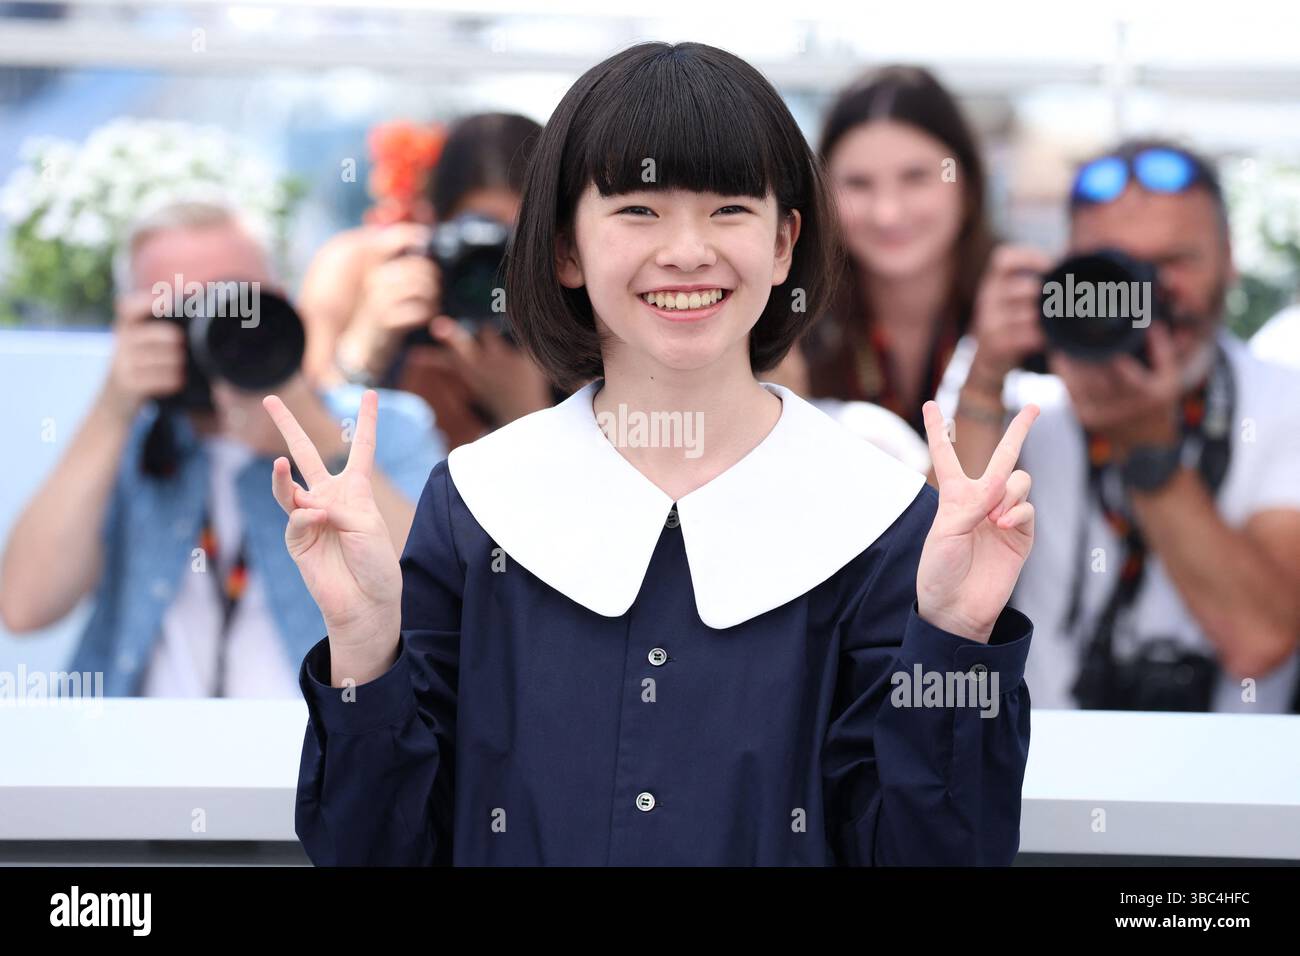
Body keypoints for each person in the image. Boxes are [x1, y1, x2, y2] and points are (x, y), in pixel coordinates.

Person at [267, 42, 1040, 866]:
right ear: (566, 246)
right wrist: (362, 649)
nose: (686, 251)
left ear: (784, 244)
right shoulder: (477, 505)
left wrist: (958, 638)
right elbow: (375, 851)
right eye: (639, 210)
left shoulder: (879, 518)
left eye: (729, 210)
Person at [0, 200, 445, 698]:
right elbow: (24, 607)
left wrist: (316, 440)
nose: (216, 331)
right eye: (185, 312)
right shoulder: (130, 439)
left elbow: (438, 602)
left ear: (283, 304)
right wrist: (113, 408)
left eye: (238, 305)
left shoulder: (381, 426)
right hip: (133, 759)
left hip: (321, 758)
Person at [936, 139, 1300, 713]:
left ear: (1229, 259)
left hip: (1230, 784)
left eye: (1174, 262)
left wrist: (1144, 443)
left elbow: (1259, 640)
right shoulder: (1019, 391)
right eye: (1116, 267)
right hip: (1037, 777)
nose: (1144, 295)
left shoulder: (1284, 400)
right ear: (1067, 272)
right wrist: (983, 378)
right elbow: (936, 591)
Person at [298, 113, 558, 449]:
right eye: (480, 235)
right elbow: (300, 432)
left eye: (524, 236)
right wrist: (365, 351)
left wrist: (525, 408)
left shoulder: (575, 295)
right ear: (432, 226)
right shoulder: (363, 267)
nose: (504, 262)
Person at [797, 65, 999, 440]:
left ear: (967, 185)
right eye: (858, 183)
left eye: (916, 178)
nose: (887, 213)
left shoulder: (1026, 310)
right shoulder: (791, 324)